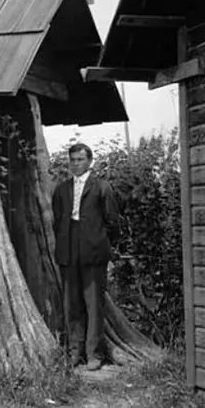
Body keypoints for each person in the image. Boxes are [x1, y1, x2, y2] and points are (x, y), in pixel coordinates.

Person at [51, 143, 119, 371]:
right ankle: (74, 352)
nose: (76, 164)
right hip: (69, 252)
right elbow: (57, 221)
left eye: (80, 159)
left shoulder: (102, 187)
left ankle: (94, 354)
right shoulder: (61, 189)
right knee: (72, 305)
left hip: (93, 252)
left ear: (90, 161)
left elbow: (112, 221)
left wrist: (103, 247)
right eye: (72, 160)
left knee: (94, 305)